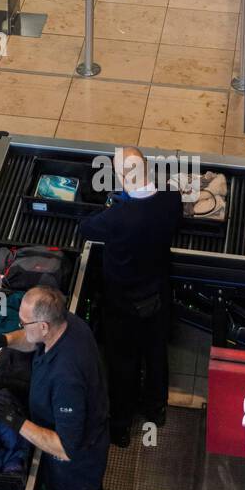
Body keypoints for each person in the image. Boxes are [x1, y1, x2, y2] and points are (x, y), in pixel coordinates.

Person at [0, 285, 112, 490]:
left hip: (75, 471)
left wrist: (15, 421)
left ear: (44, 325)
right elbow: (32, 341)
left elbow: (66, 447)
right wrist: (3, 340)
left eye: (24, 322)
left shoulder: (66, 375)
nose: (21, 326)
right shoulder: (69, 324)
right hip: (91, 449)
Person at [79, 146, 182, 447]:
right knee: (155, 352)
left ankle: (121, 426)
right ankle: (155, 410)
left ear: (123, 177)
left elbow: (85, 228)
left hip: (122, 302)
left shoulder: (116, 219)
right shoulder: (171, 200)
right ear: (148, 169)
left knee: (122, 362)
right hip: (157, 294)